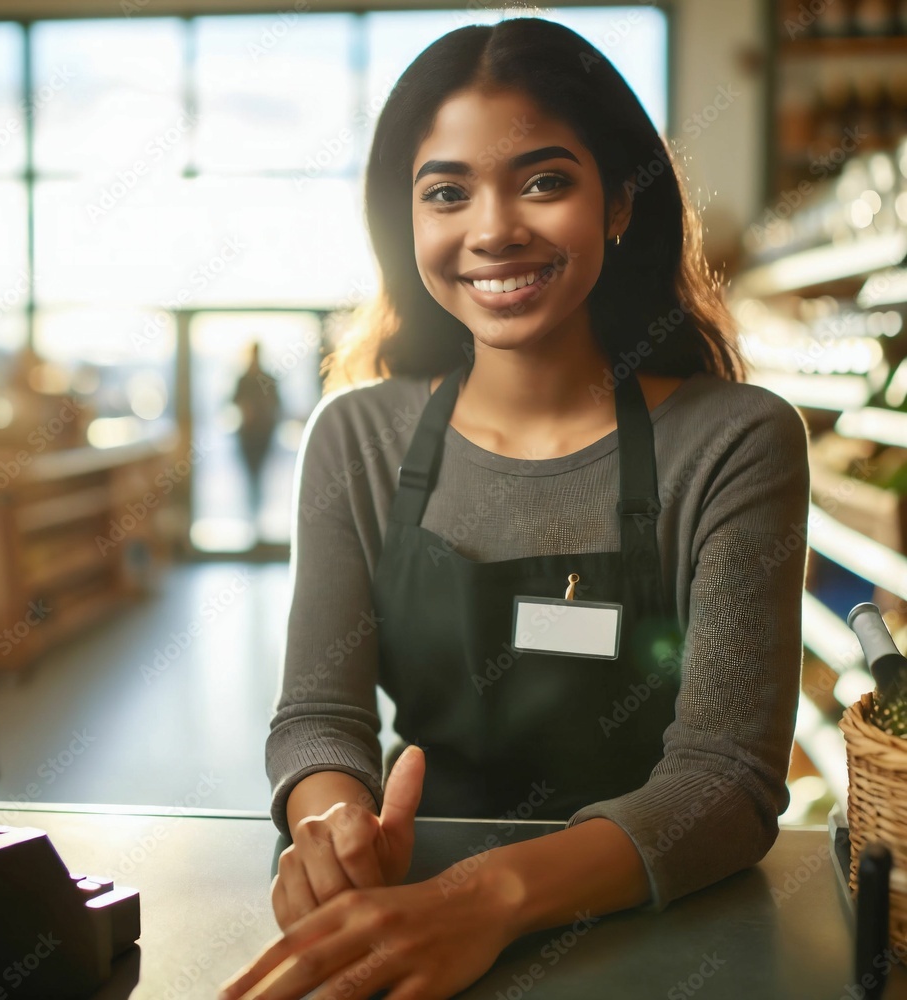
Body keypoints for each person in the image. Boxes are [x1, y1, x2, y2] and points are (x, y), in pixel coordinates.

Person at [220, 16, 810, 1000]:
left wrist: (488, 898)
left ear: (618, 201)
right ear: (404, 225)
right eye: (446, 192)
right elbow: (320, 716)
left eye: (543, 181)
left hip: (663, 929)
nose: (492, 227)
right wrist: (331, 825)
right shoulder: (356, 439)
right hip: (407, 914)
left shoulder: (737, 440)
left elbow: (724, 781)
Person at [231, 340, 281, 522]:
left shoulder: (268, 379)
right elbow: (233, 401)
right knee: (250, 474)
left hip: (263, 434)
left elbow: (277, 404)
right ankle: (252, 512)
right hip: (247, 435)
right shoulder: (243, 379)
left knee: (260, 473)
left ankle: (257, 512)